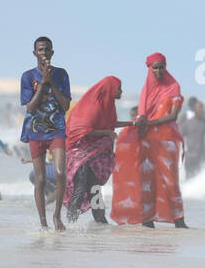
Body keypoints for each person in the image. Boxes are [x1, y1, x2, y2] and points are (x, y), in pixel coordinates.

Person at [111, 53, 188, 228]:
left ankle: (179, 222)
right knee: (146, 181)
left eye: (161, 67)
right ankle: (147, 221)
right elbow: (142, 115)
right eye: (155, 67)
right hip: (146, 139)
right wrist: (140, 125)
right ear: (149, 69)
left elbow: (173, 116)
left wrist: (149, 122)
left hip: (167, 141)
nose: (159, 70)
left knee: (170, 181)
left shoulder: (173, 87)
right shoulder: (146, 90)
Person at [20, 36, 72, 232]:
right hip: (35, 132)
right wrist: (42, 83)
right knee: (40, 179)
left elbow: (65, 105)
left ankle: (57, 216)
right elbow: (31, 107)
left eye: (47, 50)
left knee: (60, 173)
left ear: (52, 52)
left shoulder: (62, 74)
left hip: (57, 130)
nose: (44, 53)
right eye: (40, 50)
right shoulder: (27, 77)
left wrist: (52, 82)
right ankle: (43, 223)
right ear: (35, 53)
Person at [64, 75, 128, 224]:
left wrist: (132, 123)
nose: (121, 91)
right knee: (79, 190)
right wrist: (106, 133)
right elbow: (81, 130)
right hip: (78, 153)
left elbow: (109, 124)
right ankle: (69, 226)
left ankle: (101, 222)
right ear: (110, 89)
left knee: (95, 190)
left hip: (91, 155)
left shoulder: (106, 105)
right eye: (119, 88)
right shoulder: (94, 107)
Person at [181, 97, 205, 178]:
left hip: (201, 156)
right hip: (190, 156)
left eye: (202, 107)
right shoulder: (187, 123)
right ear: (194, 109)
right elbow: (179, 137)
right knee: (189, 179)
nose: (201, 109)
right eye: (199, 107)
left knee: (200, 178)